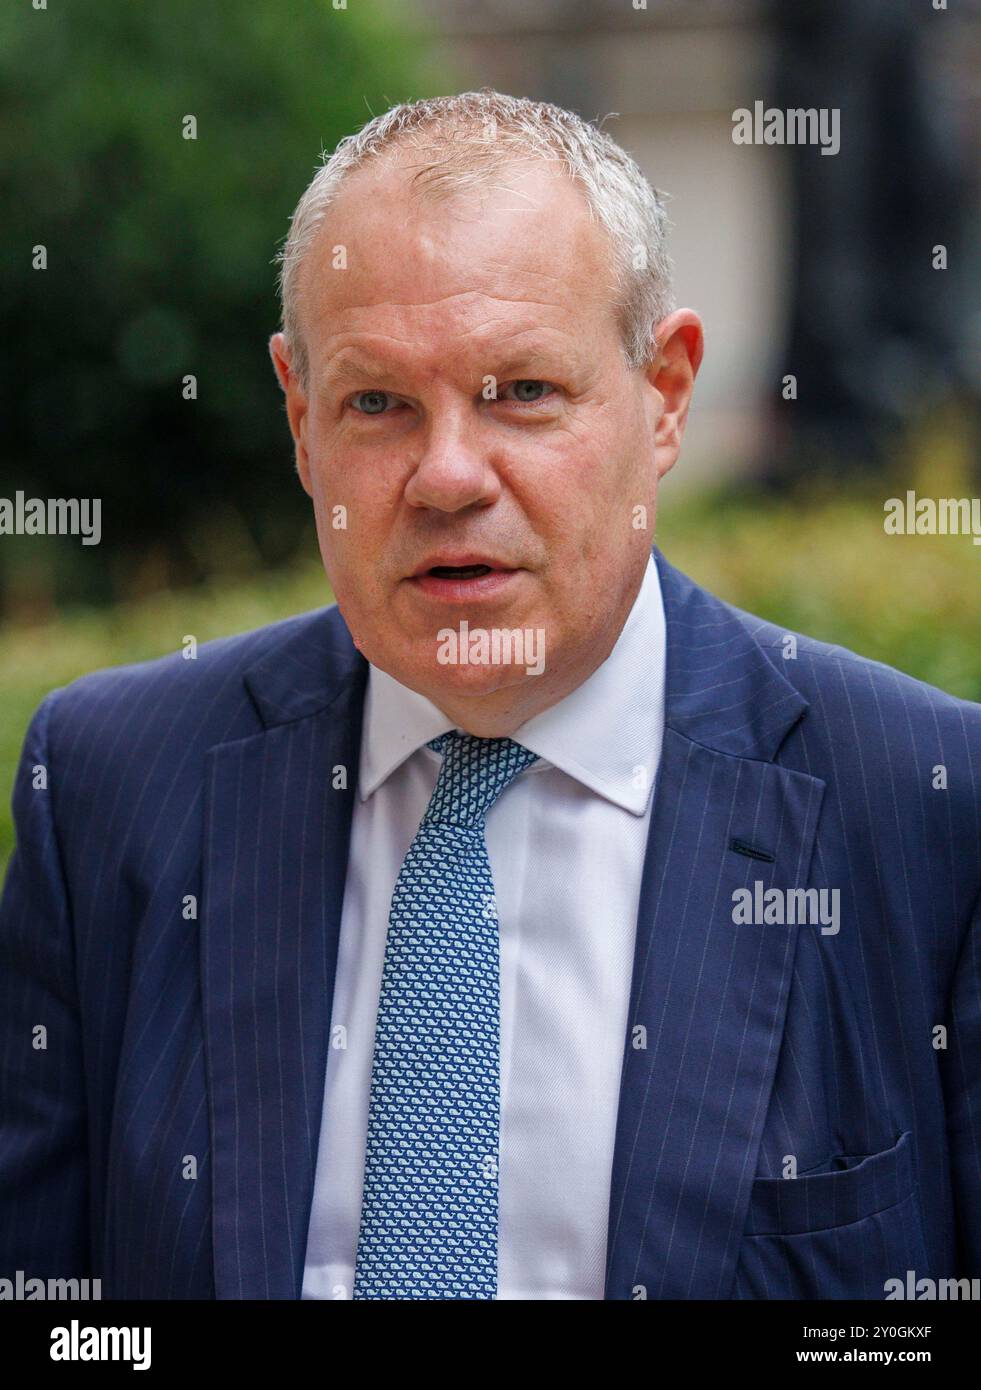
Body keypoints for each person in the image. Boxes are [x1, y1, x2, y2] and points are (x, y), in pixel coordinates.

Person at [1, 91, 978, 1302]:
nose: (448, 474)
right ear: (301, 421)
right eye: (377, 403)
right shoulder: (110, 785)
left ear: (664, 393)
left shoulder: (926, 805)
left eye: (520, 390)